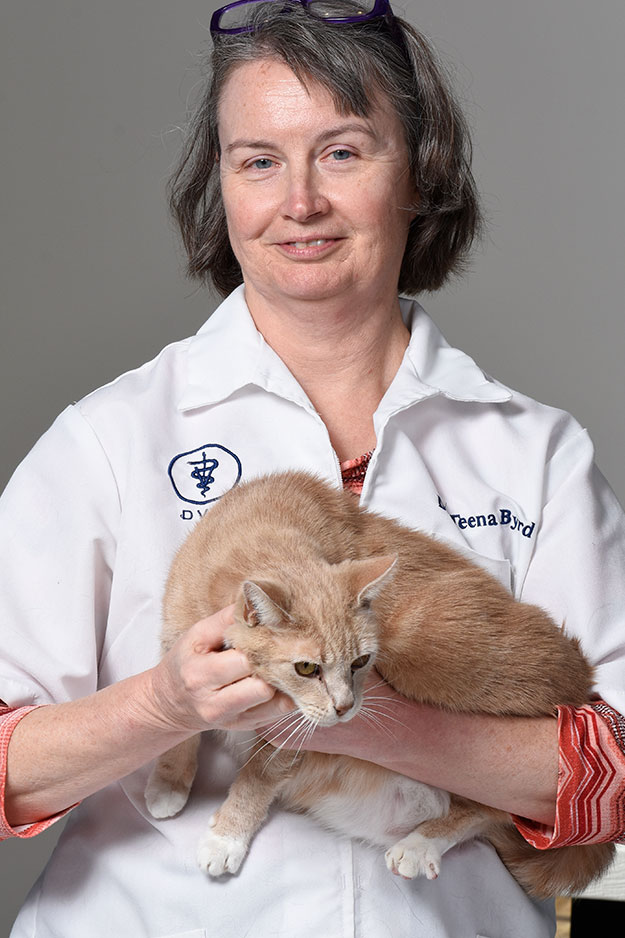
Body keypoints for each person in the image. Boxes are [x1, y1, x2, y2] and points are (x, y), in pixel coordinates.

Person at [1, 2, 624, 936]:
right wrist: (166, 704)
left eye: (341, 153)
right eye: (258, 161)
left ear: (419, 175)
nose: (299, 202)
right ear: (220, 186)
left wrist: (379, 717)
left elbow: (617, 774)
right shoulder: (110, 437)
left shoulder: (532, 452)